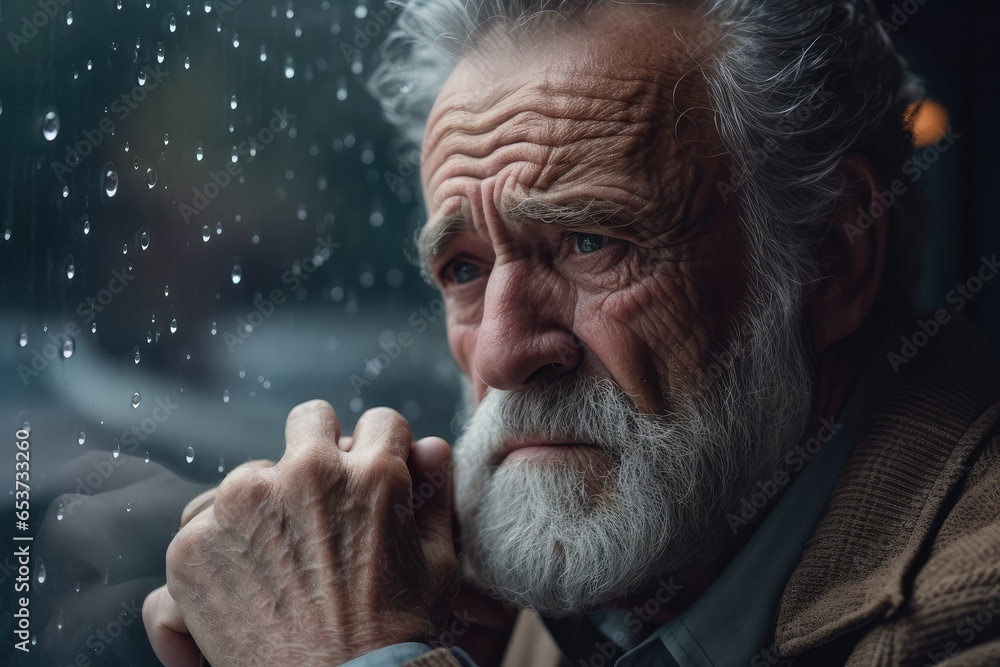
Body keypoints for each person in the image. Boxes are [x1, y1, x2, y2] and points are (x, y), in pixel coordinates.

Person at [141, 0, 1000, 665]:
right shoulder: (582, 589)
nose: (503, 353)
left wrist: (355, 652)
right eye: (465, 269)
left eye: (592, 242)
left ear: (831, 254)